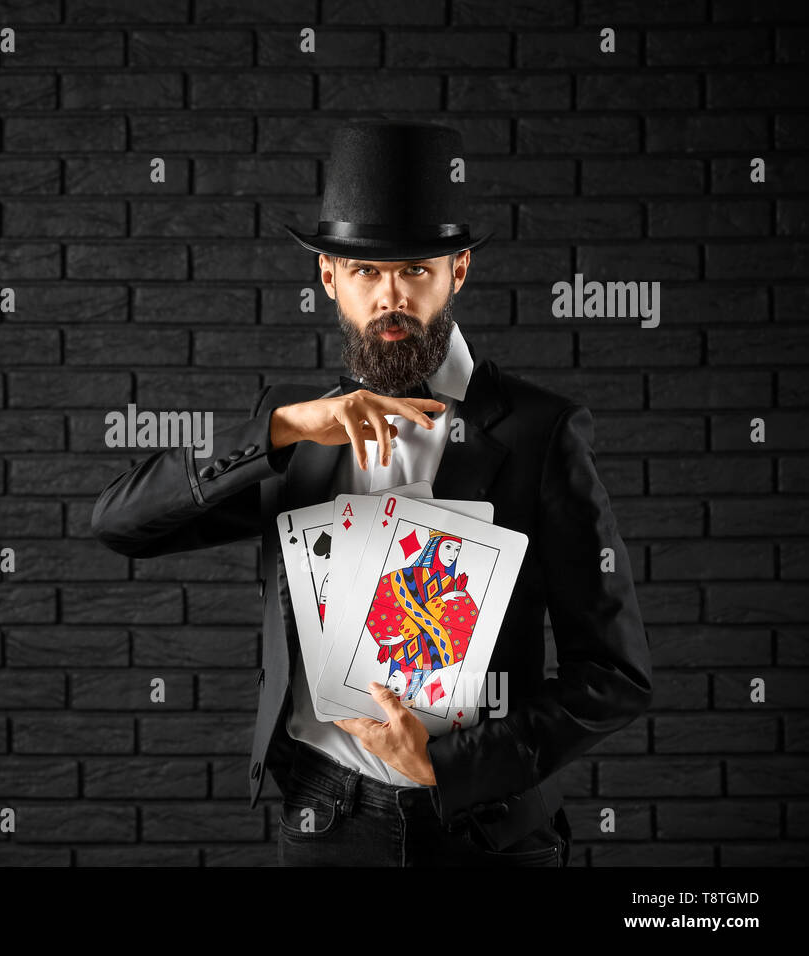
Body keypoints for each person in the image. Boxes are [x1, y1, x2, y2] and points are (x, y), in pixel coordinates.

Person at [91, 121, 653, 866]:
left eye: (416, 269)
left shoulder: (540, 434)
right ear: (328, 277)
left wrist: (449, 765)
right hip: (328, 824)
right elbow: (121, 524)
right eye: (365, 272)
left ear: (458, 270)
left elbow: (615, 676)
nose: (391, 295)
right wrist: (283, 429)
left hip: (487, 833)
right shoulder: (294, 438)